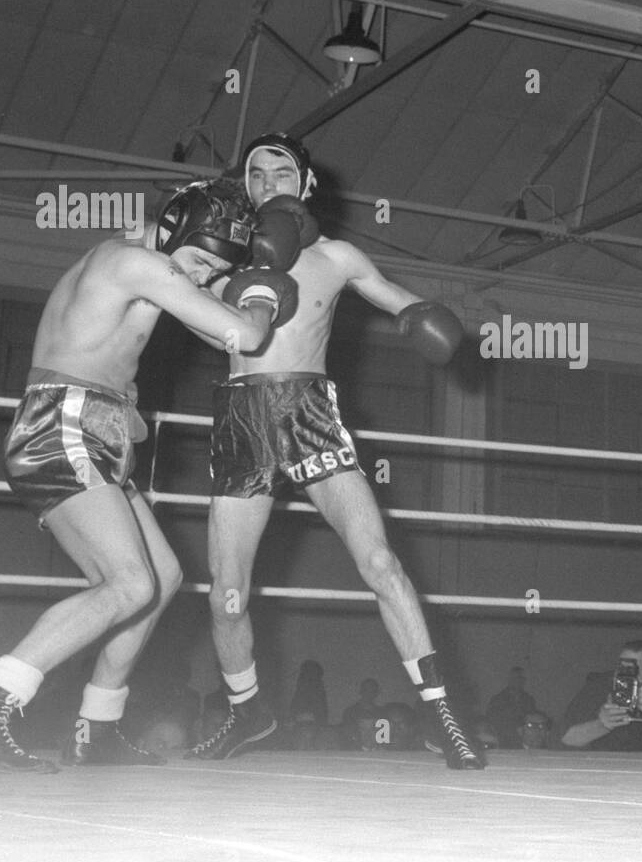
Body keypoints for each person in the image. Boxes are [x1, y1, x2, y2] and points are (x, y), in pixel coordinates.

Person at [0, 180, 284, 773]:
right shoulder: (130, 262)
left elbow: (209, 323)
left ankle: (98, 725)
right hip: (60, 424)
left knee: (162, 577)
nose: (199, 278)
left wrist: (227, 284)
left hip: (93, 430)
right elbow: (244, 335)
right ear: (172, 231)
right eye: (198, 262)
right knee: (127, 583)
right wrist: (266, 293)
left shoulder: (152, 266)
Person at [191, 134, 484, 769]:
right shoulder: (219, 256)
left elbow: (398, 300)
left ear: (304, 183)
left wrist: (435, 322)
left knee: (380, 562)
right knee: (227, 595)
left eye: (280, 170)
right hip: (242, 415)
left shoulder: (337, 257)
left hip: (310, 414)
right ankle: (248, 710)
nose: (268, 181)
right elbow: (178, 300)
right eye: (256, 173)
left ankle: (441, 712)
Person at [486, 666, 538, 748]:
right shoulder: (498, 700)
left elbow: (533, 720)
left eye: (521, 678)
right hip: (503, 741)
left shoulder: (529, 700)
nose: (519, 681)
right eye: (516, 678)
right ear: (510, 680)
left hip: (524, 743)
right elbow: (491, 721)